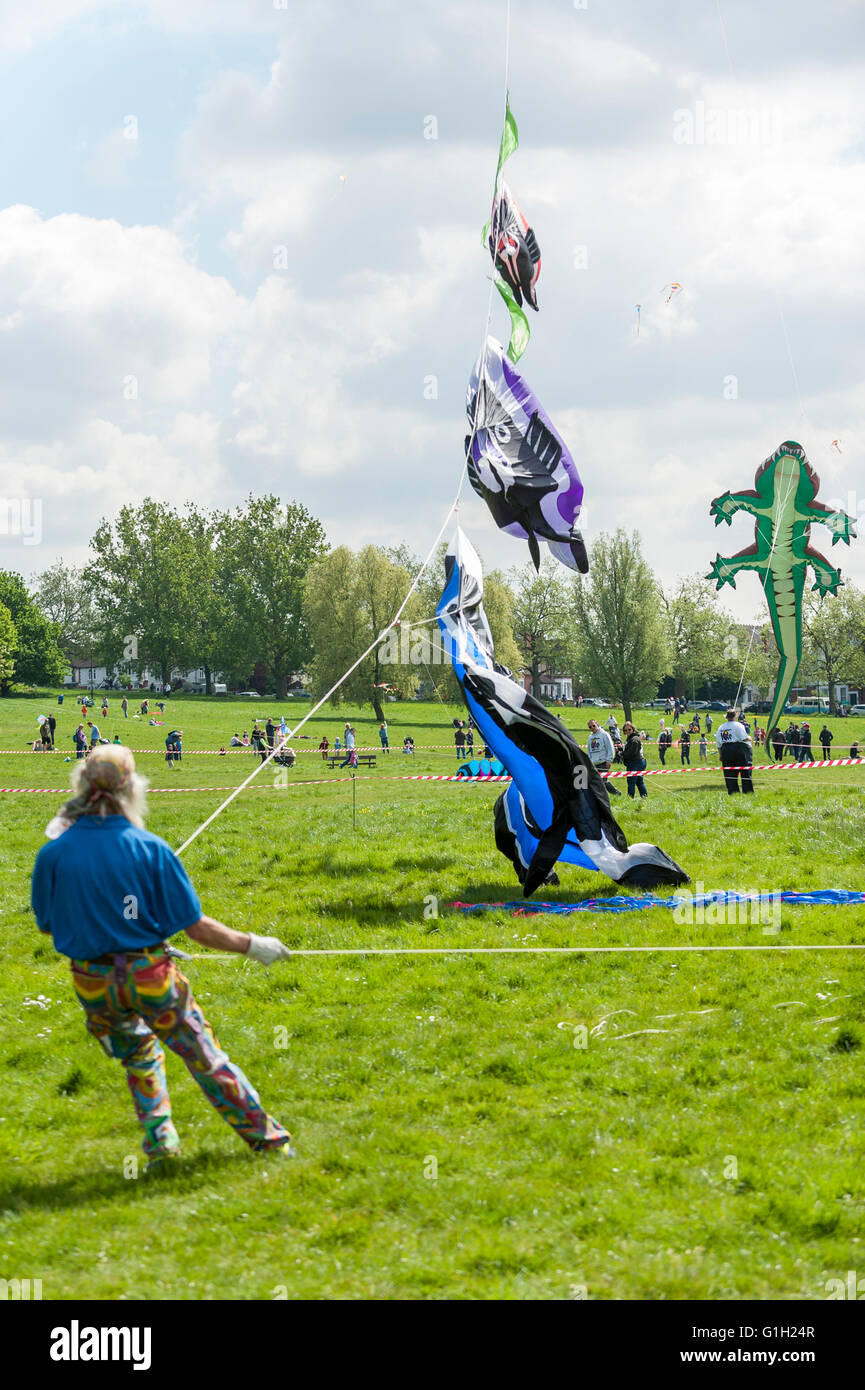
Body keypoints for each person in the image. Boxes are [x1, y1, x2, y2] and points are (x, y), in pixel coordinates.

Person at [30, 745, 292, 1163]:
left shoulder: (53, 853)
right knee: (204, 1055)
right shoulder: (150, 849)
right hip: (151, 977)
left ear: (81, 785)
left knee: (138, 1056)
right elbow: (197, 928)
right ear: (131, 788)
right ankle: (267, 1140)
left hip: (93, 984)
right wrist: (254, 945)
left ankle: (161, 1143)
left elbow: (46, 923)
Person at [716, 707, 754, 794]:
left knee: (729, 773)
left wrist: (721, 755)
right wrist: (750, 738)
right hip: (740, 749)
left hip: (726, 750)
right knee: (745, 771)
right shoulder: (739, 725)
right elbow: (744, 738)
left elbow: (719, 744)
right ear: (735, 716)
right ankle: (747, 791)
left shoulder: (721, 727)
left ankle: (733, 792)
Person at [585, 718, 620, 794]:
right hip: (594, 763)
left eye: (593, 726)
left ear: (597, 724)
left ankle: (616, 793)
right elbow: (589, 751)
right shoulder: (590, 737)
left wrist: (609, 760)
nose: (592, 728)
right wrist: (589, 762)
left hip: (603, 762)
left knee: (603, 782)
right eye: (590, 727)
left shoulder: (604, 734)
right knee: (597, 782)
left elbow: (610, 748)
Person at [621, 722, 648, 799]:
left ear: (633, 729)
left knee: (631, 782)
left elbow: (632, 753)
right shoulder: (631, 738)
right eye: (625, 730)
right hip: (637, 762)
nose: (627, 732)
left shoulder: (634, 739)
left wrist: (622, 754)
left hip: (636, 762)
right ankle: (645, 798)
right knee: (639, 782)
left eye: (629, 729)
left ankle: (630, 800)